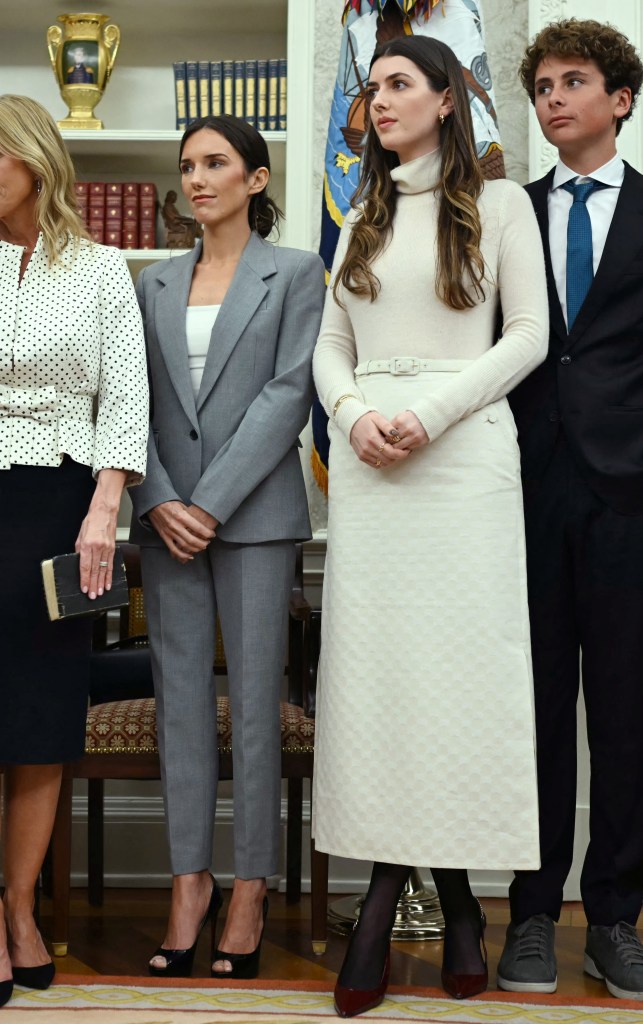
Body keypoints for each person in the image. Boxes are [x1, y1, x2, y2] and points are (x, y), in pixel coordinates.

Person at [312, 35, 549, 1017]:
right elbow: (330, 345)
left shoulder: (502, 205)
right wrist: (353, 416)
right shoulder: (361, 213)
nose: (379, 100)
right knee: (382, 688)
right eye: (372, 86)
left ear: (448, 99)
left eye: (399, 84)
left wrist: (431, 413)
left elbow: (527, 335)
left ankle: (382, 909)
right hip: (372, 467)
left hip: (463, 463)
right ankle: (451, 906)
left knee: (457, 687)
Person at [129, 113, 325, 981]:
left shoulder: (297, 272)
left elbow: (288, 393)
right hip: (166, 517)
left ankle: (249, 887)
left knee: (252, 704)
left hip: (253, 517)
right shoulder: (153, 283)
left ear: (256, 179)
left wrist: (207, 502)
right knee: (180, 705)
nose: (197, 180)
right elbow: (127, 398)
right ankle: (189, 884)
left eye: (215, 163)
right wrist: (160, 498)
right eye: (186, 166)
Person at [497, 19, 643, 1001]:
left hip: (630, 498)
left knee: (627, 712)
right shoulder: (507, 211)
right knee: (534, 709)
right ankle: (532, 913)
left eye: (573, 81)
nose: (553, 98)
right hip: (521, 488)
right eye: (543, 85)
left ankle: (616, 917)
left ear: (619, 99)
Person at [0, 94, 148, 1007]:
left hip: (60, 507)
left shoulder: (99, 268)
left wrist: (104, 509)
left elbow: (124, 396)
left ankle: (20, 910)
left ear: (34, 160)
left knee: (38, 719)